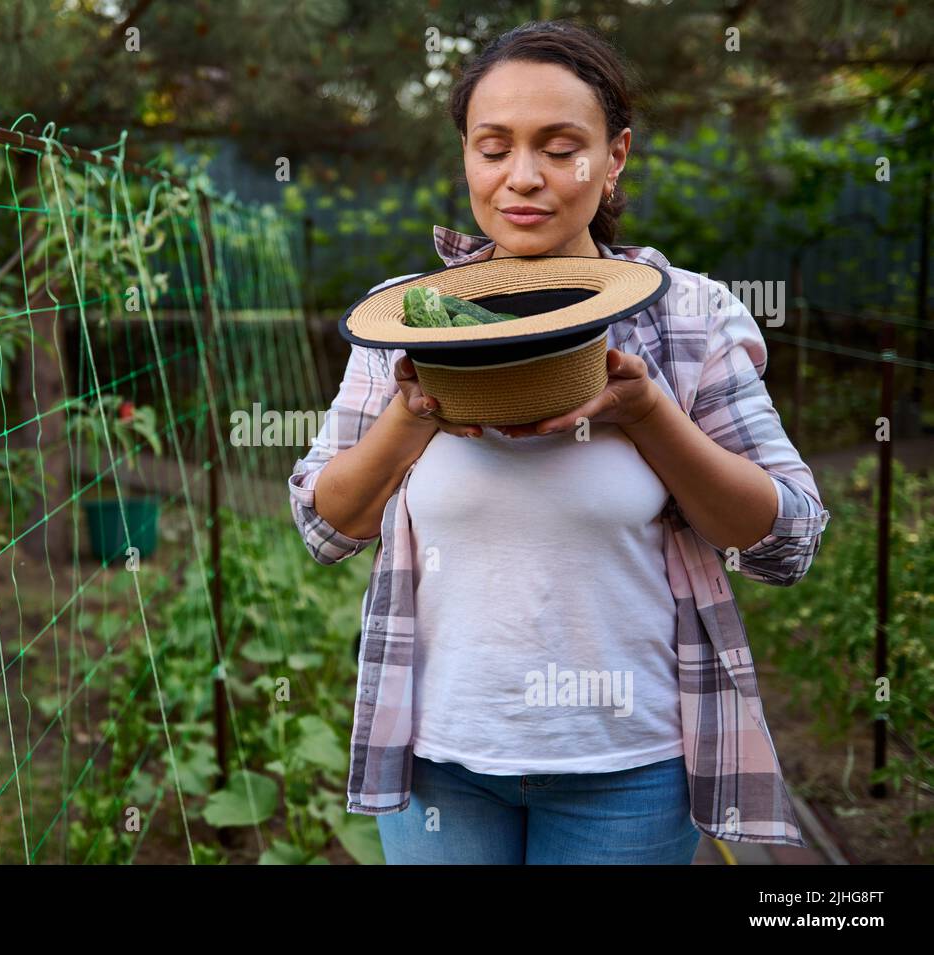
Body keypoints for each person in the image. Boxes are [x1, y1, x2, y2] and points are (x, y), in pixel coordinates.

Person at [287, 19, 830, 865]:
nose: (523, 177)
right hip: (441, 760)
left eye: (560, 146)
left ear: (614, 158)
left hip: (630, 767)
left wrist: (646, 414)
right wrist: (413, 411)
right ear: (465, 154)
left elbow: (787, 539)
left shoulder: (687, 316)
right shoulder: (405, 315)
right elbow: (326, 524)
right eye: (493, 147)